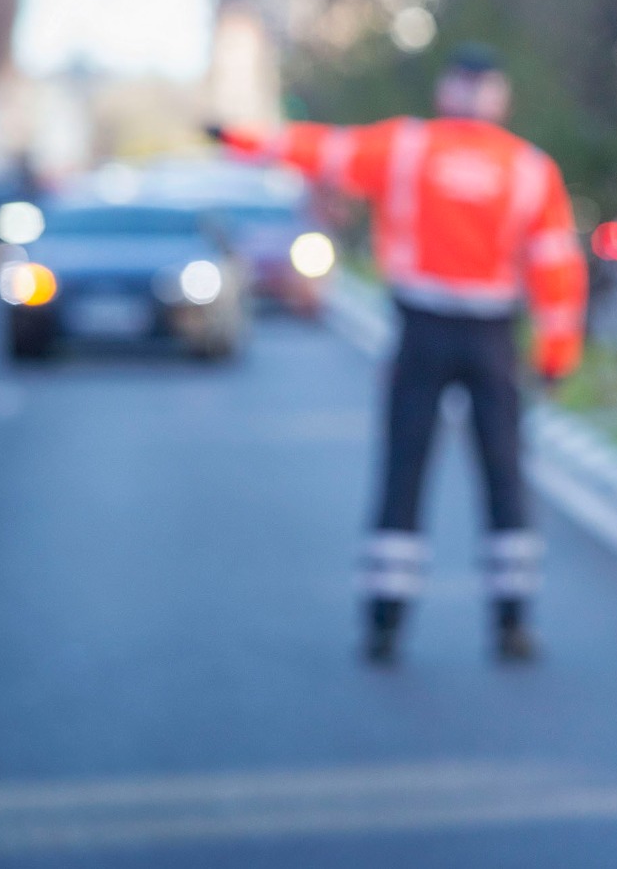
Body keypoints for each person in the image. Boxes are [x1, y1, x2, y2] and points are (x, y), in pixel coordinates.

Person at [210, 45, 587, 664]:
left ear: (447, 91)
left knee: (404, 469)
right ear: (501, 96)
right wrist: (555, 355)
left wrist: (236, 137)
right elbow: (556, 268)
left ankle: (386, 623)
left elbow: (317, 150)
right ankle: (512, 623)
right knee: (505, 473)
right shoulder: (528, 168)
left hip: (423, 330)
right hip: (491, 335)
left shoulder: (409, 149)